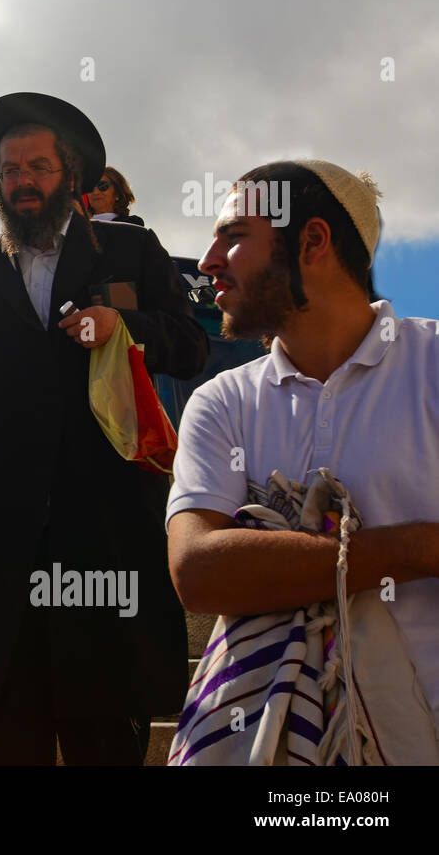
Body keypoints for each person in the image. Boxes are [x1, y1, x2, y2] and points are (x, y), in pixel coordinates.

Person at [0, 92, 209, 765]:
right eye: (8, 169)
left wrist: (120, 326)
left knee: (103, 715)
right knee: (8, 717)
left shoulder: (129, 250)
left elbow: (191, 345)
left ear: (69, 176)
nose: (22, 180)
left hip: (105, 518)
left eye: (37, 166)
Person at [167, 160, 439, 745]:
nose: (209, 260)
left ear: (313, 240)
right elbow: (197, 570)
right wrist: (416, 546)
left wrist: (275, 560)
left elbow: (223, 558)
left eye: (234, 237)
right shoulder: (223, 400)